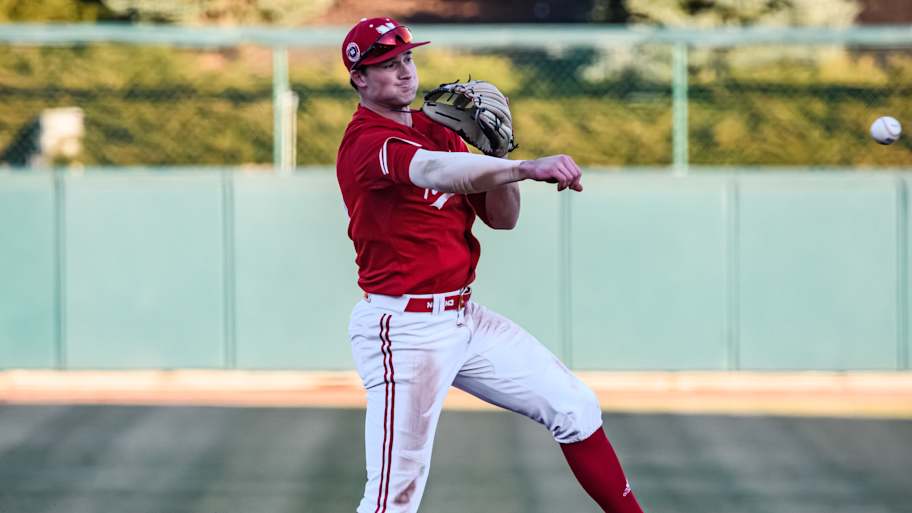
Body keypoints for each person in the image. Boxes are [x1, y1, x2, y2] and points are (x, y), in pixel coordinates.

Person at [336, 17, 645, 513]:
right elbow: (433, 171)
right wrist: (525, 166)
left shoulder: (438, 128)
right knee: (392, 497)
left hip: (464, 319)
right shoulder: (367, 142)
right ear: (359, 79)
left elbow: (503, 219)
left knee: (575, 406)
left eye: (406, 59)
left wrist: (499, 155)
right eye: (385, 65)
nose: (403, 72)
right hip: (406, 329)